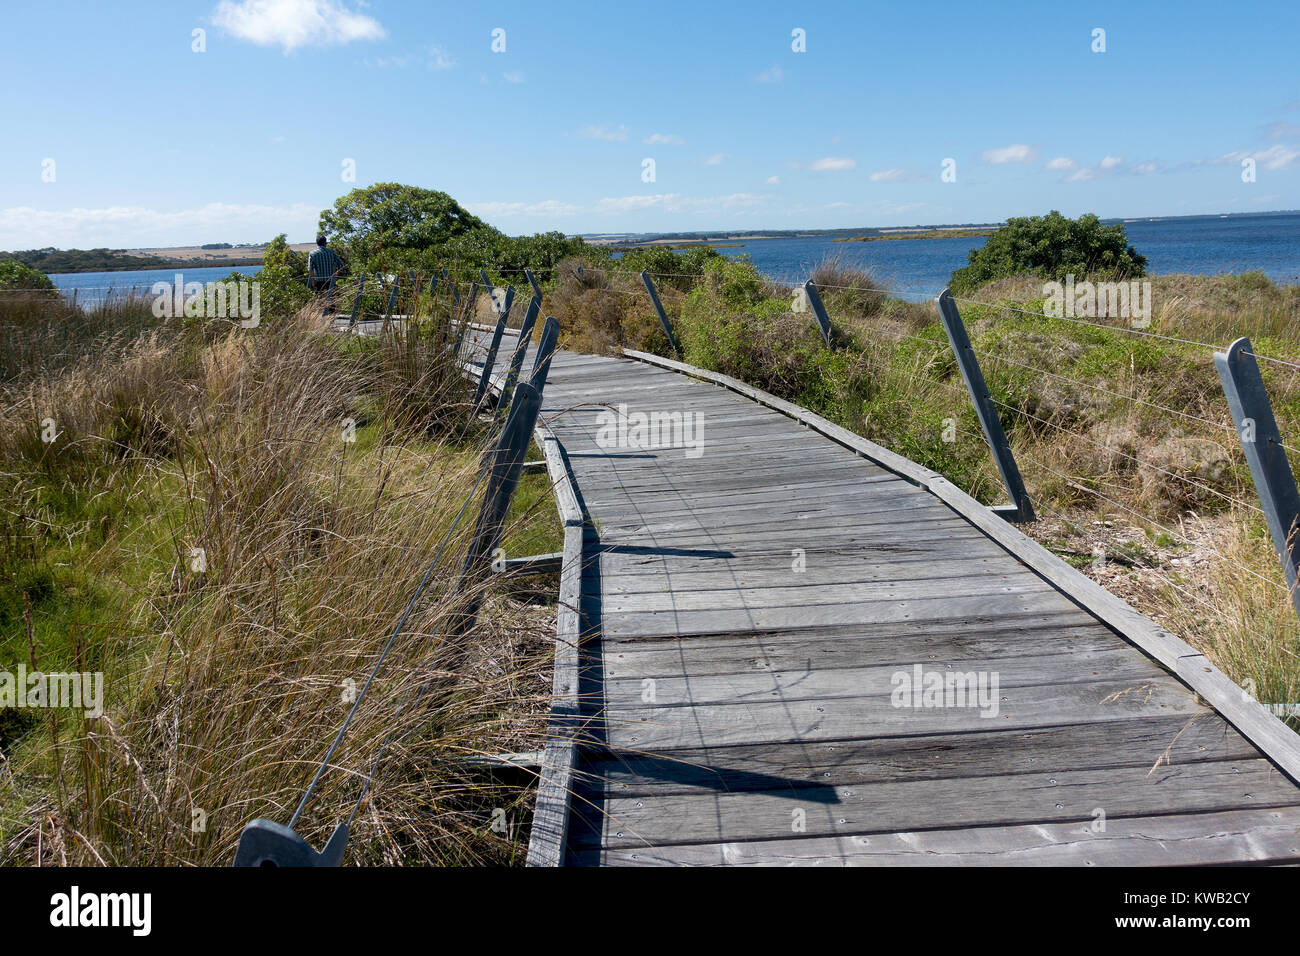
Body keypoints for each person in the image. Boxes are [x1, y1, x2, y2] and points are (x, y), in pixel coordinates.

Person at [307, 234, 345, 315]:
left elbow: (310, 269)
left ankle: (321, 319)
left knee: (320, 300)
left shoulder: (312, 253)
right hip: (330, 281)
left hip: (319, 281)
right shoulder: (331, 252)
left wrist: (313, 280)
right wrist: (336, 274)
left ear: (317, 243)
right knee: (331, 300)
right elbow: (341, 265)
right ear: (325, 243)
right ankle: (331, 318)